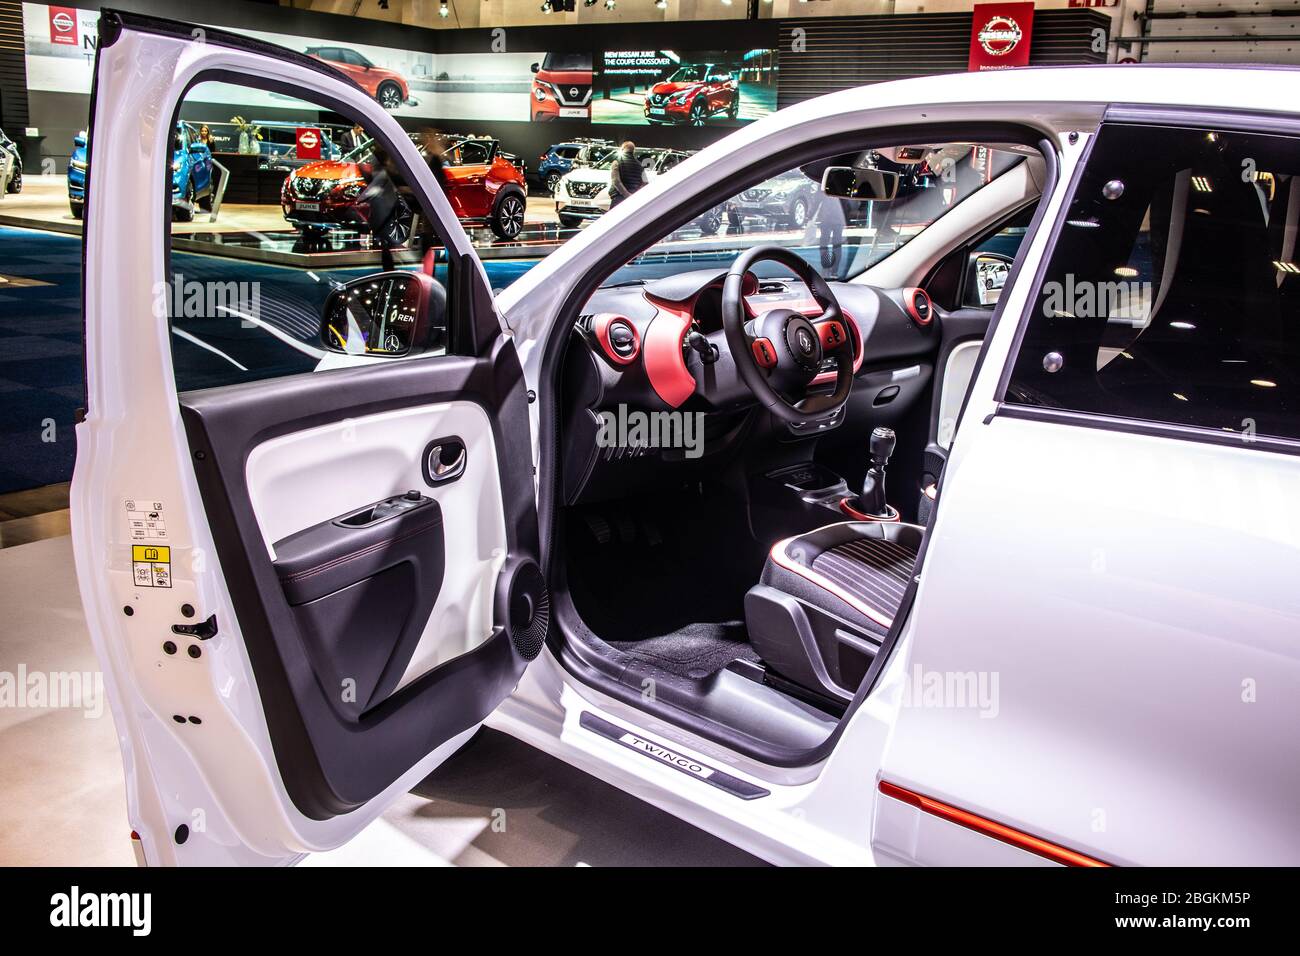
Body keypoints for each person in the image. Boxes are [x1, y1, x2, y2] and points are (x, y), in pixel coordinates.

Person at [609, 140, 645, 208]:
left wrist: (627, 195)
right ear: (633, 151)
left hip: (618, 198)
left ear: (622, 149)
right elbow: (645, 183)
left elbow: (616, 181)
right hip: (633, 200)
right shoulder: (640, 165)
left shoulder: (617, 162)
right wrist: (635, 195)